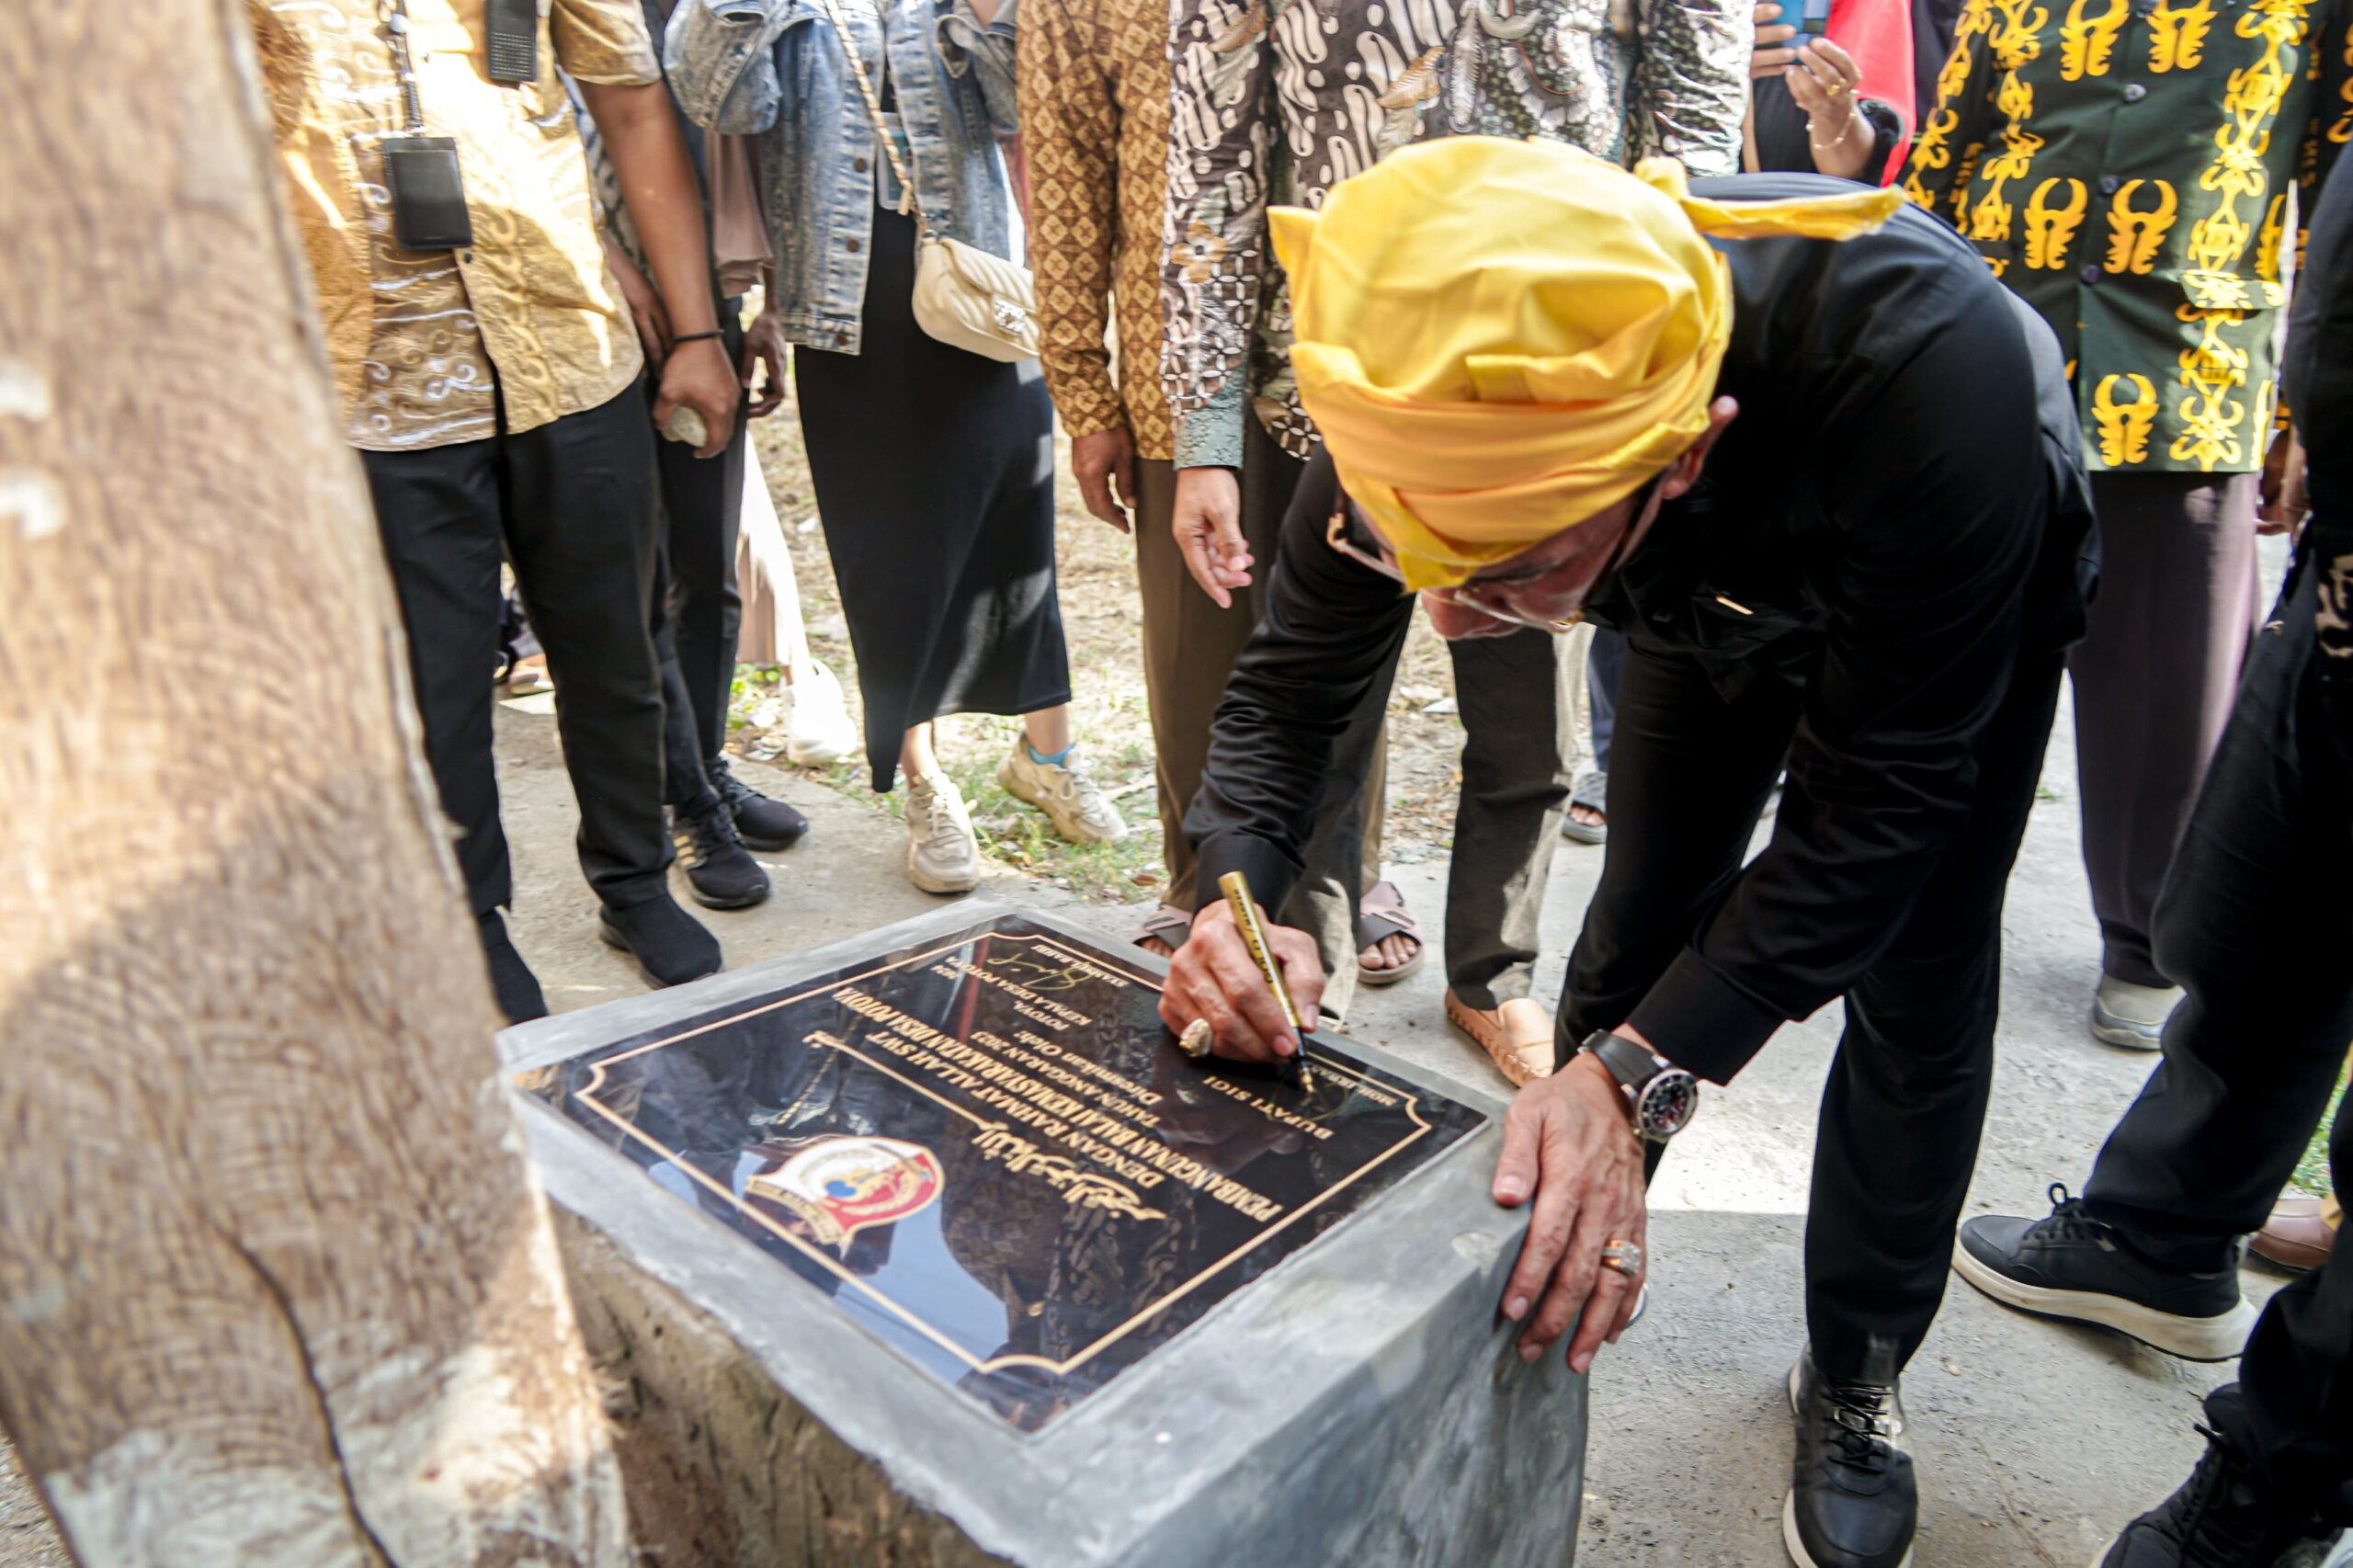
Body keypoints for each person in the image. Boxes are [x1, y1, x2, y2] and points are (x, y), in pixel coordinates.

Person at [1161, 138, 2093, 1568]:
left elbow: (1881, 812)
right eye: (1428, 568)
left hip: (1936, 549)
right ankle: (1590, 1198)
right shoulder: (1429, 371)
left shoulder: (1941, 379)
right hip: (1684, 575)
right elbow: (1291, 689)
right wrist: (1244, 892)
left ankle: (1857, 1361)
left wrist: (1659, 1058)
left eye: (1511, 573)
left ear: (1686, 448)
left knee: (1921, 969)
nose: (1462, 626)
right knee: (1644, 916)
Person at [1163, 0, 1750, 1083]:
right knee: (1317, 708)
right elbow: (1212, 157)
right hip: (1361, 384)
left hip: (1574, 400)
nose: (1444, 607)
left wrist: (1678, 350)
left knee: (1529, 708)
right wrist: (1201, 432)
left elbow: (1697, 111)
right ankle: (1299, 959)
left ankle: (1495, 970)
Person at [1951, 151, 2353, 1568]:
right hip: (2346, 552)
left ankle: (2279, 1475)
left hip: (2183, 359)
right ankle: (2162, 1230)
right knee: (2266, 921)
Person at [249, 0, 743, 1018]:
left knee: (614, 649)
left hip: (564, 348)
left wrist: (696, 329)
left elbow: (631, 101)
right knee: (434, 687)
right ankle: (468, 917)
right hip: (365, 386)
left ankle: (634, 879)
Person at [1902, 0, 2352, 1051]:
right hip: (2003, 358)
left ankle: (2147, 939)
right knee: (1950, 653)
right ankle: (1906, 902)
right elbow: (1945, 165)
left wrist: (2304, 416)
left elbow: (2334, 197)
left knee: (2168, 686)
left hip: (2188, 374)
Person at [667, 0, 1127, 898]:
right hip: (848, 316)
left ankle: (1048, 756)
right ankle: (925, 782)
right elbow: (721, 101)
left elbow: (1020, 99)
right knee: (892, 558)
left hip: (975, 294)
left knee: (1015, 532)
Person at [573, 42, 812, 916]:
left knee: (706, 575)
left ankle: (703, 769)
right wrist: (601, 251)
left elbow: (754, 149)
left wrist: (756, 302)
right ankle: (684, 804)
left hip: (704, 307)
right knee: (630, 586)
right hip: (586, 311)